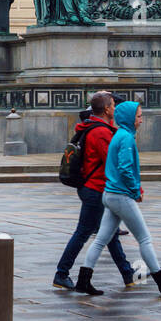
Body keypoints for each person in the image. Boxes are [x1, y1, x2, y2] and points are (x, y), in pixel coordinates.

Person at [77, 101, 161, 297]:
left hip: (109, 194)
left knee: (100, 240)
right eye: (138, 116)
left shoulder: (119, 135)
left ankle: (83, 280)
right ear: (129, 118)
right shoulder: (126, 138)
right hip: (121, 196)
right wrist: (135, 191)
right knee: (144, 238)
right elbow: (125, 169)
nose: (141, 120)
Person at [54, 91, 136, 290]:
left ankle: (127, 273)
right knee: (84, 232)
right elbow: (112, 161)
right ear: (107, 109)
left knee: (110, 235)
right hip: (95, 189)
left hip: (95, 188)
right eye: (113, 106)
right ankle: (61, 273)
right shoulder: (100, 132)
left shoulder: (97, 128)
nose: (115, 109)